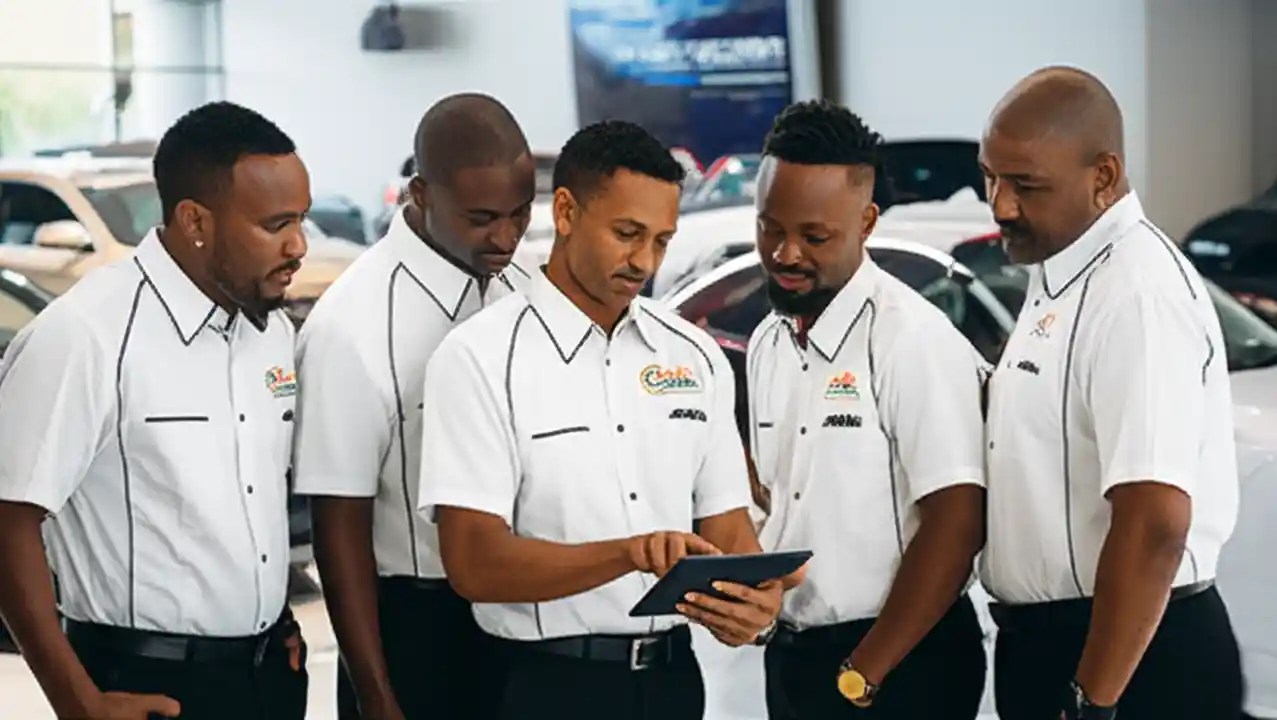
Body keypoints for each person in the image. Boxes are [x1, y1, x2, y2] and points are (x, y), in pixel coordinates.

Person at [417, 119, 799, 720]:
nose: (644, 261)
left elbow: (727, 529)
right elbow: (474, 564)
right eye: (627, 233)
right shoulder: (479, 358)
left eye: (662, 241)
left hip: (674, 681)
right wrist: (631, 553)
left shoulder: (693, 356)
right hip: (543, 687)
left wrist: (753, 598)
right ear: (565, 212)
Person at [0, 101, 310, 720]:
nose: (298, 245)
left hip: (271, 674)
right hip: (147, 686)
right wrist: (75, 699)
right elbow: (8, 519)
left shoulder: (268, 331)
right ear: (196, 220)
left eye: (300, 219)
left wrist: (277, 622)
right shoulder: (87, 336)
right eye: (276, 224)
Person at [979, 66, 1243, 719]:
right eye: (990, 177)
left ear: (1103, 177)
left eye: (1025, 186)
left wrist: (1092, 701)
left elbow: (1155, 522)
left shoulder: (1136, 293)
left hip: (1132, 662)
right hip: (1054, 647)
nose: (1000, 205)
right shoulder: (1063, 269)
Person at [292, 92, 535, 720]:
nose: (505, 236)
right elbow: (338, 526)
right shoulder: (352, 324)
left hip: (531, 617)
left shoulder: (529, 288)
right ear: (420, 195)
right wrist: (375, 693)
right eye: (482, 217)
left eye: (520, 213)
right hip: (418, 628)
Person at [745, 99, 988, 718]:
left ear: (868, 220)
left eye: (814, 236)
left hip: (900, 664)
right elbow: (777, 502)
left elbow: (957, 522)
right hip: (795, 658)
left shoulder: (912, 339)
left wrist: (864, 672)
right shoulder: (769, 342)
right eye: (770, 227)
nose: (785, 253)